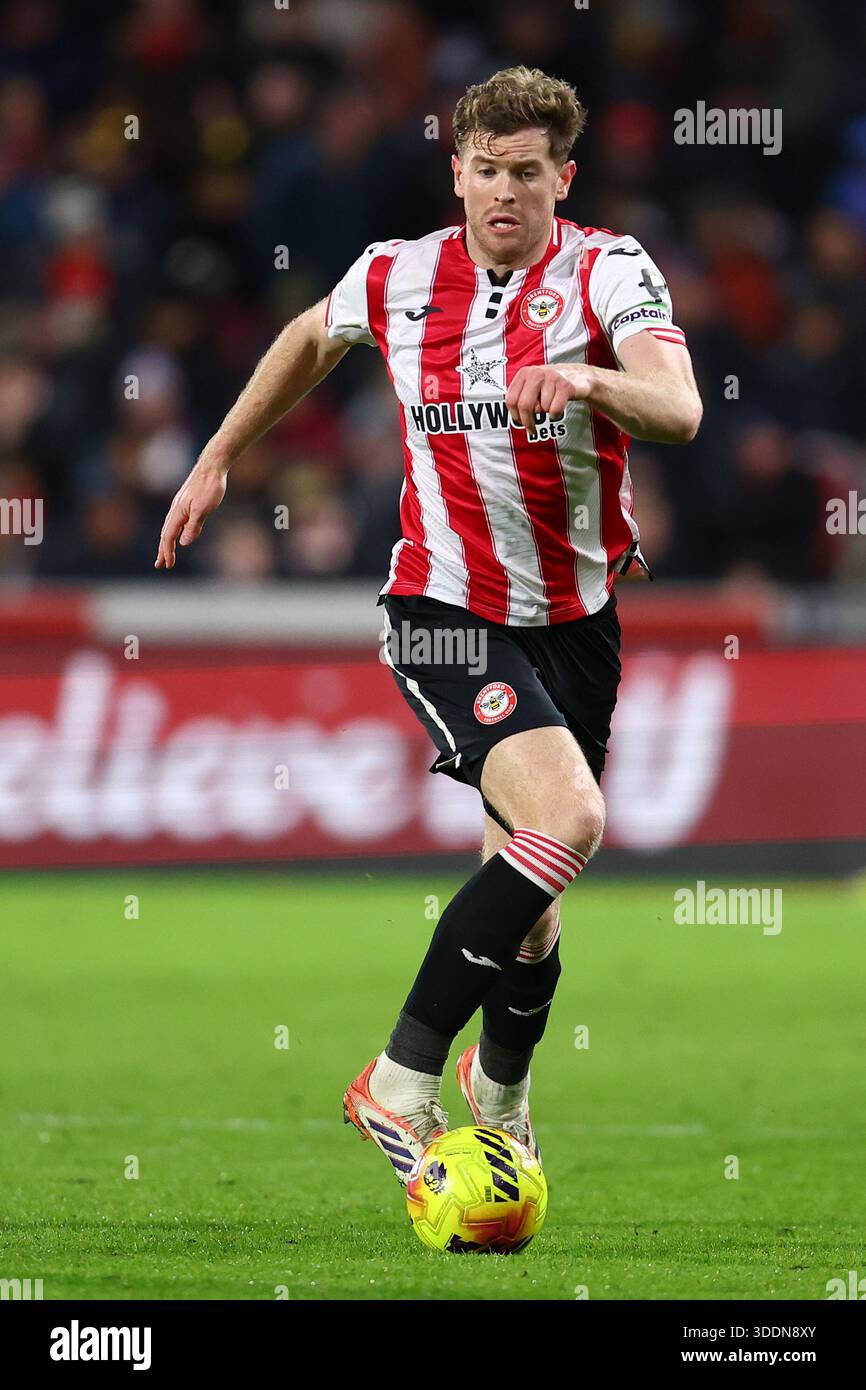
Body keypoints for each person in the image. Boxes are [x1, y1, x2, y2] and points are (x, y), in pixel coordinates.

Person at [155, 66, 702, 1182]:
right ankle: (399, 1079)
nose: (505, 191)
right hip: (440, 605)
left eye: (527, 172)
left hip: (575, 618)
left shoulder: (608, 269)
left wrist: (588, 382)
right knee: (573, 817)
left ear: (564, 177)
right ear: (456, 173)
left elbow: (681, 409)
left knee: (533, 896)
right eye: (486, 170)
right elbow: (311, 337)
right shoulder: (397, 276)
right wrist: (219, 454)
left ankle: (498, 1094)